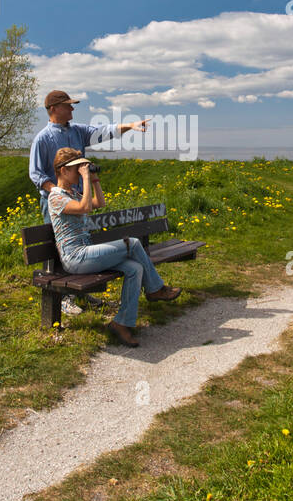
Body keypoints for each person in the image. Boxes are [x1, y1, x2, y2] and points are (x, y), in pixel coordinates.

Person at [29, 90, 148, 317]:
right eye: (68, 106)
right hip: (57, 202)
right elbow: (36, 174)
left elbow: (103, 132)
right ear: (54, 109)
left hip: (78, 199)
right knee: (59, 249)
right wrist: (57, 193)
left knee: (82, 242)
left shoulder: (77, 131)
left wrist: (130, 125)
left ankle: (82, 294)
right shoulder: (43, 138)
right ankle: (64, 298)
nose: (72, 109)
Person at [46, 147, 180, 347]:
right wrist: (84, 178)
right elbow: (85, 208)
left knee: (136, 269)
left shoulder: (72, 193)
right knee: (132, 244)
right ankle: (154, 289)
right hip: (75, 258)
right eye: (76, 169)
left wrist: (94, 180)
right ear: (64, 171)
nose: (79, 172)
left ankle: (122, 323)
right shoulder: (56, 197)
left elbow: (99, 203)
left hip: (86, 252)